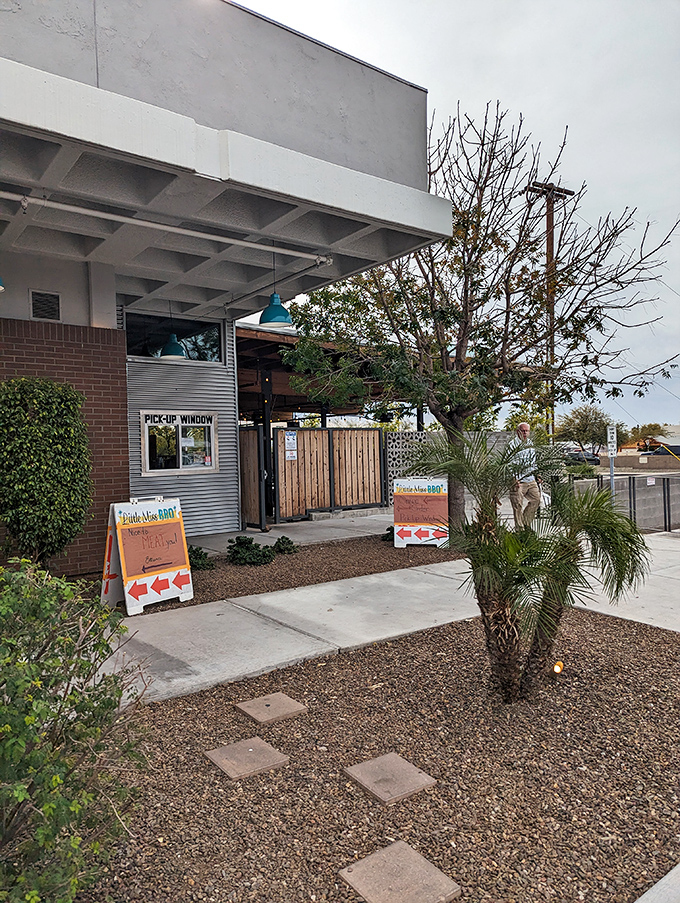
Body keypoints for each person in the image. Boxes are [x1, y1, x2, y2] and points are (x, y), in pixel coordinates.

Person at [508, 422, 541, 528]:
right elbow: (509, 463)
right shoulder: (512, 445)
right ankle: (519, 530)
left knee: (536, 500)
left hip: (530, 479)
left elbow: (533, 462)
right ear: (518, 432)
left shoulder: (530, 444)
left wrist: (537, 475)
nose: (525, 432)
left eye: (527, 430)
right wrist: (514, 479)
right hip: (518, 480)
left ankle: (526, 523)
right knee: (517, 505)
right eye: (523, 430)